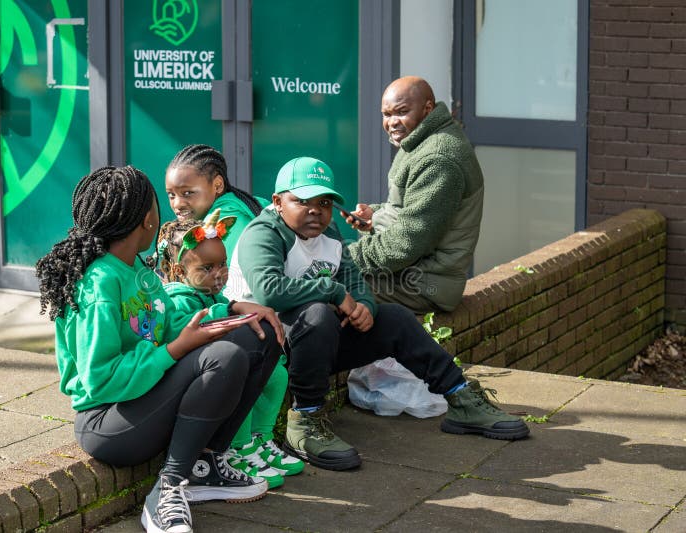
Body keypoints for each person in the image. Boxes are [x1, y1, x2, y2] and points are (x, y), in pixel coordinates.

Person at [226, 156, 528, 472]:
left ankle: (461, 398)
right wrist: (334, 293)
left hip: (308, 345)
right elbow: (268, 290)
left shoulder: (327, 235)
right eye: (302, 201)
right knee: (317, 314)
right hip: (262, 346)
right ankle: (304, 422)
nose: (316, 210)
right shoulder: (264, 233)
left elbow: (354, 281)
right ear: (278, 201)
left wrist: (365, 309)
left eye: (324, 202)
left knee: (394, 317)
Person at [35, 165, 283, 533]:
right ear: (145, 220)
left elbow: (164, 328)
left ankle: (205, 464)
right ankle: (168, 489)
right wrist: (176, 350)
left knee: (257, 333)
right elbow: (100, 379)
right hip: (109, 423)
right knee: (223, 357)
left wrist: (229, 311)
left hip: (145, 394)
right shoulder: (100, 284)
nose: (163, 212)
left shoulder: (137, 269)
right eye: (156, 204)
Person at [164, 144, 301, 481]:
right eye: (171, 195)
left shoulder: (223, 220)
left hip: (253, 321)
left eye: (188, 193)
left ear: (217, 186)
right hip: (229, 338)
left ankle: (255, 442)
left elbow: (226, 284)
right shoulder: (226, 212)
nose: (179, 203)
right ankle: (237, 448)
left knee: (269, 372)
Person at [345, 76, 485, 314]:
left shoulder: (438, 159)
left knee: (328, 287)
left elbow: (406, 243)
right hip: (409, 273)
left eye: (401, 112)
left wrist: (341, 258)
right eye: (386, 114)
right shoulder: (419, 140)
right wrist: (375, 218)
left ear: (427, 109)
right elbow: (411, 212)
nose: (392, 123)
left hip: (423, 285)